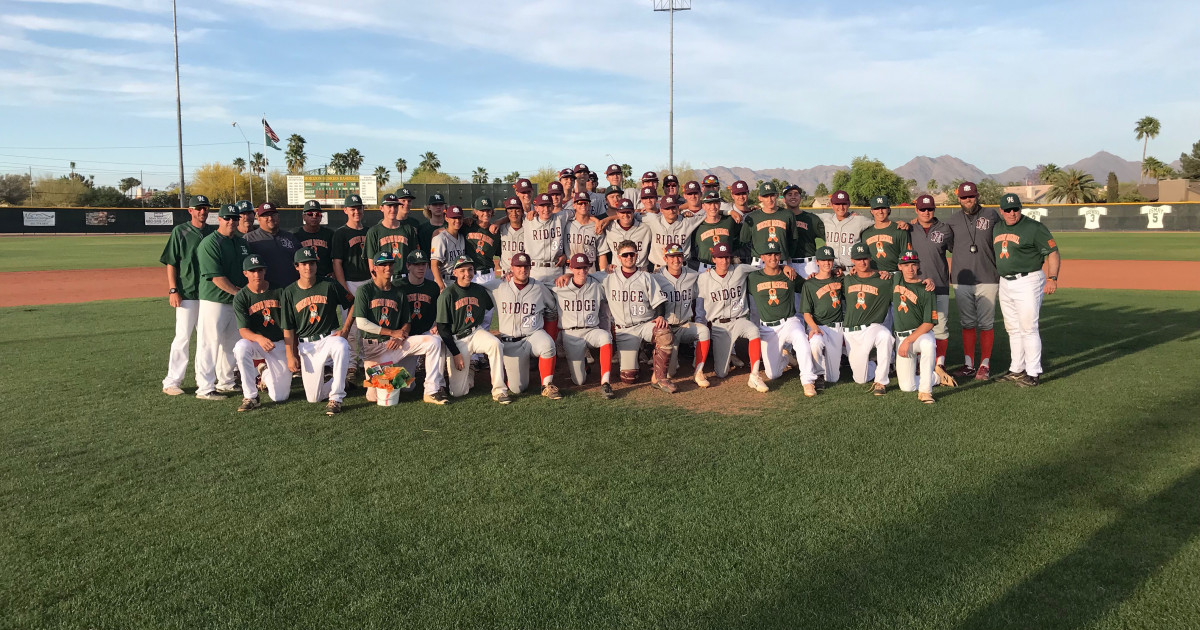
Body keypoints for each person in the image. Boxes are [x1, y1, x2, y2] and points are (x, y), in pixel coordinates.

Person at [696, 242, 795, 393]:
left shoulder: (740, 269)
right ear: (714, 259)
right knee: (721, 373)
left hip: (739, 319)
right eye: (720, 258)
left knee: (754, 330)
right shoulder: (704, 278)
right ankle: (728, 355)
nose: (724, 261)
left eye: (727, 257)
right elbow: (700, 305)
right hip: (719, 326)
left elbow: (765, 268)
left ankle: (754, 376)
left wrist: (783, 267)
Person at [353, 251, 450, 405]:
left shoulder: (398, 291)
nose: (387, 267)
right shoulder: (365, 290)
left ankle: (431, 391)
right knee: (374, 397)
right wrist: (392, 333)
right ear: (374, 268)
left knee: (432, 344)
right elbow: (361, 323)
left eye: (390, 264)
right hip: (374, 348)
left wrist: (399, 336)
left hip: (396, 344)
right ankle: (384, 373)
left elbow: (407, 321)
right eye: (383, 264)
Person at [993, 193, 1061, 387]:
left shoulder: (1034, 228)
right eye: (1008, 210)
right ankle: (1016, 368)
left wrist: (1052, 278)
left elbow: (1053, 253)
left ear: (1020, 209)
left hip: (1028, 280)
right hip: (1005, 282)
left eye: (1015, 209)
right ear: (1001, 211)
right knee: (1012, 328)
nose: (1012, 213)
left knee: (1029, 328)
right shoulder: (997, 227)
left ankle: (1033, 372)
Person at [280, 247, 353, 415]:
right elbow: (288, 327)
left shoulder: (329, 284)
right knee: (314, 397)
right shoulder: (289, 292)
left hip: (329, 338)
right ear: (296, 266)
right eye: (304, 264)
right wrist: (290, 355)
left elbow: (353, 303)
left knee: (341, 344)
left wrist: (345, 329)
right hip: (307, 345)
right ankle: (340, 382)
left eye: (312, 263)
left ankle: (336, 397)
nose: (308, 267)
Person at [435, 256, 512, 404]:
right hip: (457, 340)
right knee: (458, 393)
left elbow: (491, 302)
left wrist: (505, 279)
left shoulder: (479, 290)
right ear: (455, 273)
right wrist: (456, 353)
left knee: (495, 344)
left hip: (476, 332)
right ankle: (468, 369)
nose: (467, 274)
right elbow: (443, 328)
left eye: (470, 270)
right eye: (462, 270)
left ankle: (499, 391)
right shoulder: (447, 294)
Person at [943, 181, 1000, 380]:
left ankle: (984, 364)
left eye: (971, 196)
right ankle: (968, 365)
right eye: (964, 197)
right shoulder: (952, 221)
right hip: (962, 279)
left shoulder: (991, 215)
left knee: (986, 323)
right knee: (967, 323)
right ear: (958, 199)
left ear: (977, 196)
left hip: (988, 277)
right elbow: (949, 245)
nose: (968, 200)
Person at [486, 252, 562, 399]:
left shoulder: (538, 287)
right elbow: (475, 287)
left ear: (530, 268)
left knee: (547, 344)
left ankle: (547, 385)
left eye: (526, 266)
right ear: (512, 268)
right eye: (519, 267)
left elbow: (552, 310)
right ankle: (518, 371)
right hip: (511, 342)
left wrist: (550, 335)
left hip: (533, 336)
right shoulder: (499, 286)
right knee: (518, 388)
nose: (523, 270)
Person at [603, 240, 676, 392]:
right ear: (619, 257)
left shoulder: (646, 277)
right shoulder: (608, 277)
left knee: (664, 333)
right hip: (625, 330)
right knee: (629, 378)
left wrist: (661, 316)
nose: (629, 257)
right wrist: (569, 274)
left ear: (637, 256)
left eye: (632, 254)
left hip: (644, 324)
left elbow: (659, 301)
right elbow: (583, 276)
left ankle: (659, 378)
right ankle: (637, 356)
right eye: (625, 255)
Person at [194, 202, 250, 400]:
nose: (232, 222)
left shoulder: (242, 242)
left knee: (231, 344)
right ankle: (204, 387)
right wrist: (239, 293)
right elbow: (216, 277)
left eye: (235, 218)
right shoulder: (210, 243)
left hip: (235, 301)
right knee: (208, 344)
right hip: (214, 301)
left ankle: (226, 382)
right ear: (219, 219)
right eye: (228, 218)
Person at [748, 241, 818, 396]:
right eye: (769, 254)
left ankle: (808, 381)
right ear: (762, 258)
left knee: (801, 339)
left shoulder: (789, 275)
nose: (773, 257)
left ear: (780, 256)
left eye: (776, 254)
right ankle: (785, 357)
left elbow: (807, 287)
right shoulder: (753, 278)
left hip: (789, 322)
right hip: (767, 328)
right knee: (773, 375)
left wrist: (816, 276)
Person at [160, 194, 214, 395]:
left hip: (209, 294)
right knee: (182, 337)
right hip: (187, 293)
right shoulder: (180, 231)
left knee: (206, 340)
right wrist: (173, 290)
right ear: (190, 211)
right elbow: (171, 262)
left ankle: (204, 381)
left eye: (205, 208)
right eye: (198, 208)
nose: (202, 211)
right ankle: (172, 381)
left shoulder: (213, 232)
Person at [908, 194, 958, 385]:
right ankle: (921, 362)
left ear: (934, 209)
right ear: (916, 210)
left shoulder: (945, 229)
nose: (926, 212)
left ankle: (940, 363)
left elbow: (957, 250)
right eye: (922, 209)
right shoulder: (910, 228)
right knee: (919, 325)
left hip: (940, 284)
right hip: (916, 286)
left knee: (941, 326)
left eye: (929, 209)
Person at [551, 253, 616, 398]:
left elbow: (610, 273)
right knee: (579, 381)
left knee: (606, 337)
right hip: (571, 334)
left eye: (585, 268)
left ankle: (605, 383)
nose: (582, 271)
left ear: (589, 268)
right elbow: (535, 283)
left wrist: (612, 267)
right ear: (571, 268)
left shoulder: (597, 282)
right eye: (578, 268)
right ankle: (584, 364)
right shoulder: (559, 285)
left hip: (592, 330)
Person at [231, 254, 291, 411]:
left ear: (265, 271)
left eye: (259, 270)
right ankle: (251, 396)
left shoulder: (280, 291)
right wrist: (259, 338)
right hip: (258, 343)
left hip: (279, 343)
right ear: (245, 273)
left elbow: (289, 324)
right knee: (240, 347)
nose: (256, 275)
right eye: (252, 271)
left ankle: (263, 371)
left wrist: (291, 351)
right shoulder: (241, 297)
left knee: (280, 397)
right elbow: (243, 330)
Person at [654, 244, 711, 387]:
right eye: (672, 256)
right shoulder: (656, 277)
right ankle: (668, 360)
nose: (676, 260)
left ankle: (698, 371)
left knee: (704, 330)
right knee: (670, 373)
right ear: (665, 258)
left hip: (685, 325)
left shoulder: (692, 274)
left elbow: (710, 280)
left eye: (679, 256)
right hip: (666, 330)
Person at [841, 243, 894, 395]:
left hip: (872, 327)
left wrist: (928, 281)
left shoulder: (884, 280)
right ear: (853, 260)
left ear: (870, 258)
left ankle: (881, 382)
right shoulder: (847, 280)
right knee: (861, 379)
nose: (862, 262)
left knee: (885, 336)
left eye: (865, 258)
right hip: (851, 332)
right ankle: (872, 365)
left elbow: (908, 280)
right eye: (858, 259)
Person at [331, 193, 373, 378]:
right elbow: (337, 263)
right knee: (352, 327)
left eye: (359, 208)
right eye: (353, 208)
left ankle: (367, 361)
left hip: (369, 281)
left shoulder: (370, 231)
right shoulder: (340, 233)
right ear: (345, 210)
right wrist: (343, 288)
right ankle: (350, 364)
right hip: (350, 282)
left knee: (369, 325)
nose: (356, 211)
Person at [891, 252, 937, 404]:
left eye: (913, 264)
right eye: (905, 265)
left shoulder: (926, 289)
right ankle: (936, 377)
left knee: (929, 344)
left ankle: (925, 392)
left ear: (918, 266)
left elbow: (929, 323)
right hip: (901, 337)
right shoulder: (896, 279)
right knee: (907, 387)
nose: (910, 268)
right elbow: (876, 274)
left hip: (919, 335)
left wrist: (909, 340)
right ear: (899, 267)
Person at [799, 246, 845, 388]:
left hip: (837, 327)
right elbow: (806, 313)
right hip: (819, 326)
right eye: (823, 260)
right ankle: (818, 374)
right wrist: (814, 328)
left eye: (830, 260)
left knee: (833, 378)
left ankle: (826, 368)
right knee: (816, 342)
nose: (827, 263)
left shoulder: (840, 280)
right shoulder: (809, 284)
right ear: (817, 262)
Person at [740, 182, 797, 268]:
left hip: (780, 262)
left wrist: (787, 256)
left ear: (777, 195)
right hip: (759, 262)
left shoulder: (787, 214)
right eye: (766, 196)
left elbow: (794, 239)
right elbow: (744, 241)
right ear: (760, 198)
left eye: (772, 195)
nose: (769, 199)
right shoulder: (752, 217)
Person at [244, 201, 299, 289]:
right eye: (265, 215)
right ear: (258, 219)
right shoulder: (249, 239)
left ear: (278, 217)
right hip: (265, 292)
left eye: (273, 215)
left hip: (290, 289)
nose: (270, 218)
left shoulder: (290, 237)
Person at [365, 190, 419, 280]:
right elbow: (371, 261)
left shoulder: (408, 229)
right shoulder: (374, 231)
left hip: (405, 278)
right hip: (383, 277)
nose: (393, 209)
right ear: (381, 208)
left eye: (395, 206)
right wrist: (376, 280)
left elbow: (413, 256)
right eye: (389, 206)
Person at [641, 194, 706, 268]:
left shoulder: (687, 222)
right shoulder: (653, 220)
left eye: (673, 208)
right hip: (659, 268)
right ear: (661, 210)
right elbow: (633, 215)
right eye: (667, 208)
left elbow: (709, 214)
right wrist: (637, 211)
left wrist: (722, 212)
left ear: (678, 208)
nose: (671, 211)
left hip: (682, 267)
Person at [817, 190, 872, 271]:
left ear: (849, 204)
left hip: (852, 270)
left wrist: (897, 223)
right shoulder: (826, 218)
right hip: (831, 268)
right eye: (837, 204)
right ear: (831, 205)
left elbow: (880, 222)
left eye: (844, 204)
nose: (841, 207)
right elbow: (806, 215)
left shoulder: (859, 220)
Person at [523, 193, 569, 283]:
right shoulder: (527, 220)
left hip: (555, 269)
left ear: (552, 207)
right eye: (542, 206)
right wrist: (497, 222)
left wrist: (596, 220)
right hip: (535, 270)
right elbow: (511, 216)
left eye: (548, 206)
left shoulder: (561, 217)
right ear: (536, 208)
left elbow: (579, 212)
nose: (546, 209)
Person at [859, 195, 910, 273]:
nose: (880, 211)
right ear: (871, 211)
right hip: (874, 274)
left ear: (889, 210)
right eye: (876, 208)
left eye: (883, 208)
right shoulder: (865, 233)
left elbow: (907, 257)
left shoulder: (900, 230)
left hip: (894, 274)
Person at [597, 199, 652, 270]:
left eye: (628, 212)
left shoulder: (645, 228)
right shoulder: (609, 228)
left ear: (633, 212)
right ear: (617, 213)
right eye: (622, 212)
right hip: (617, 271)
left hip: (640, 270)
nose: (625, 215)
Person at [691, 191, 739, 272]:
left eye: (716, 203)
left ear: (720, 204)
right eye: (709, 203)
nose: (713, 207)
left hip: (727, 267)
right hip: (705, 268)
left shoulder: (729, 221)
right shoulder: (697, 225)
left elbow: (740, 241)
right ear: (703, 206)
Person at [783, 184, 824, 278]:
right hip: (788, 264)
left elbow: (828, 239)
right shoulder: (780, 218)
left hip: (809, 263)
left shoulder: (812, 219)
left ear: (800, 198)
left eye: (796, 194)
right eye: (789, 194)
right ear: (784, 199)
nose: (793, 196)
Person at [293, 200, 336, 278]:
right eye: (310, 214)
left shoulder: (330, 234)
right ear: (303, 216)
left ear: (321, 217)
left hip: (325, 277)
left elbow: (336, 258)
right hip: (304, 278)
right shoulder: (294, 235)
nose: (314, 217)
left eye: (317, 214)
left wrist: (334, 271)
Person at [429, 205, 467, 290]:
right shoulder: (440, 238)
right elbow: (434, 265)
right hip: (445, 281)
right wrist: (441, 286)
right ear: (447, 218)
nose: (457, 221)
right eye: (454, 218)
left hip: (459, 281)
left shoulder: (461, 237)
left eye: (459, 218)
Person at [565, 191, 605, 269]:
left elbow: (602, 254)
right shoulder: (566, 224)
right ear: (574, 206)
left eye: (586, 203)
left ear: (589, 206)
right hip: (569, 269)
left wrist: (603, 274)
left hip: (589, 269)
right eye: (580, 203)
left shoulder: (597, 226)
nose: (583, 205)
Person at [497, 196, 527, 274]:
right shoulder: (501, 228)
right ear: (506, 213)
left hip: (522, 272)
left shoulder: (529, 229)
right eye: (510, 210)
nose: (514, 213)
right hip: (505, 273)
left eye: (517, 210)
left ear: (522, 212)